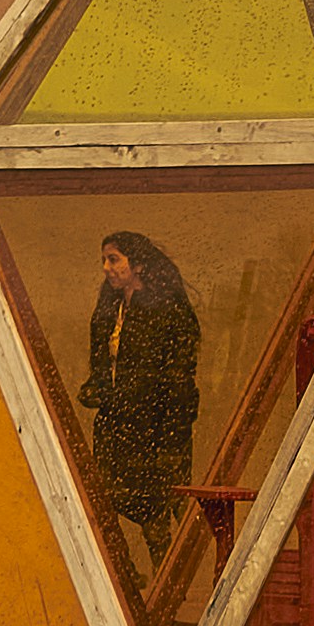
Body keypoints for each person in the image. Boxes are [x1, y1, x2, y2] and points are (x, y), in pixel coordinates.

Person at [84, 230, 202, 549]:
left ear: (136, 264)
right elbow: (104, 363)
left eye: (113, 259)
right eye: (104, 261)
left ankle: (192, 573)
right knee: (109, 500)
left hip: (157, 425)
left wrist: (172, 432)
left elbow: (178, 375)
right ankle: (130, 577)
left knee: (166, 502)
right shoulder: (112, 309)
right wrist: (97, 389)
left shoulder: (165, 309)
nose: (107, 268)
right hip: (119, 426)